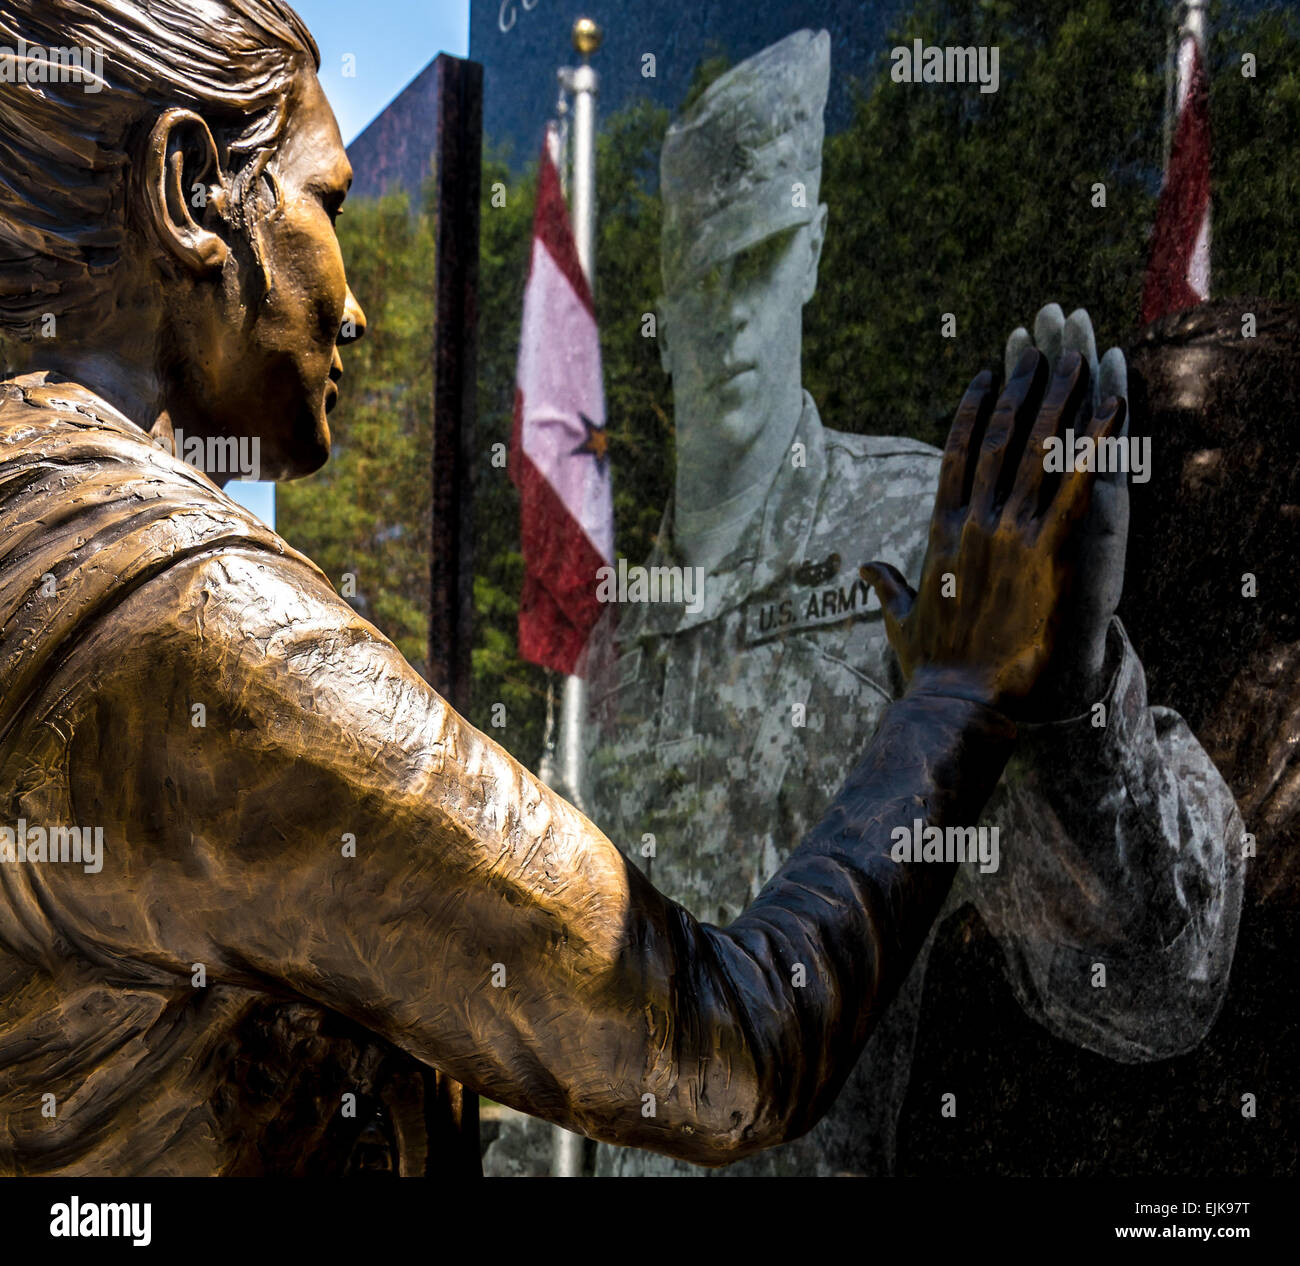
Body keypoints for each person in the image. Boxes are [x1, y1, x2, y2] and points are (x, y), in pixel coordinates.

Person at [0, 0, 1128, 1177]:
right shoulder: (195, 634)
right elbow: (725, 1050)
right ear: (188, 194)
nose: (357, 305)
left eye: (760, 263)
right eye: (326, 201)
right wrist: (956, 694)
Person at [487, 30, 1243, 1178]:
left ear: (813, 256)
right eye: (704, 276)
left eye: (764, 259)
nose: (734, 313)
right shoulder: (613, 625)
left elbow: (1149, 983)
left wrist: (1075, 710)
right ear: (666, 299)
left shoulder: (923, 534)